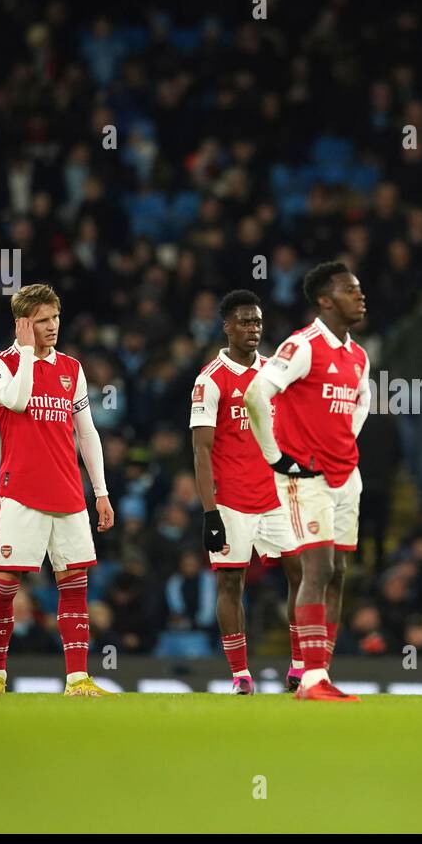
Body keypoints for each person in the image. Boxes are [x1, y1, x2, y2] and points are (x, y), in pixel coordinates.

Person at [0, 284, 115, 697]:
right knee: (4, 583)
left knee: (74, 584)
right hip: (19, 494)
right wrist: (27, 354)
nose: (52, 326)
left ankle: (77, 680)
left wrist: (100, 492)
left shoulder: (73, 368)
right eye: (41, 321)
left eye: (54, 318)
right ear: (22, 324)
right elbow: (16, 402)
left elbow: (86, 434)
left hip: (69, 494)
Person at [243, 262, 368, 702]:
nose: (361, 296)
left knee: (338, 573)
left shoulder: (358, 355)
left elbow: (361, 403)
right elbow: (256, 393)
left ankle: (321, 676)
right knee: (317, 568)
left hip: (345, 475)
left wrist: (343, 445)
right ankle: (311, 678)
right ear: (325, 300)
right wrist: (276, 457)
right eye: (351, 291)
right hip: (306, 477)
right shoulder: (303, 345)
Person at [190, 289, 302, 695]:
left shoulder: (275, 374)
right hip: (231, 500)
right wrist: (209, 512)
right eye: (244, 322)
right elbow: (201, 451)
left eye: (257, 322)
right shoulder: (210, 380)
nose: (253, 329)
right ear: (227, 327)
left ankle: (299, 665)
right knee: (231, 583)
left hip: (275, 496)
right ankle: (240, 675)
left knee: (301, 572)